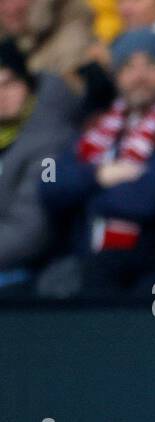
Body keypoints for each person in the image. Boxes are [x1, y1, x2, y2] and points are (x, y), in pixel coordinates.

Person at [39, 28, 155, 294]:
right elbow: (49, 182)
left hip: (149, 268)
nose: (139, 77)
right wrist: (99, 175)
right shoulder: (100, 124)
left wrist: (83, 196)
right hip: (85, 258)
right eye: (128, 67)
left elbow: (150, 199)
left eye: (151, 65)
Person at [0, 39, 77, 290]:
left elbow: (32, 230)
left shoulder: (51, 145)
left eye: (10, 84)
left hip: (28, 272)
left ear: (28, 85)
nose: (2, 96)